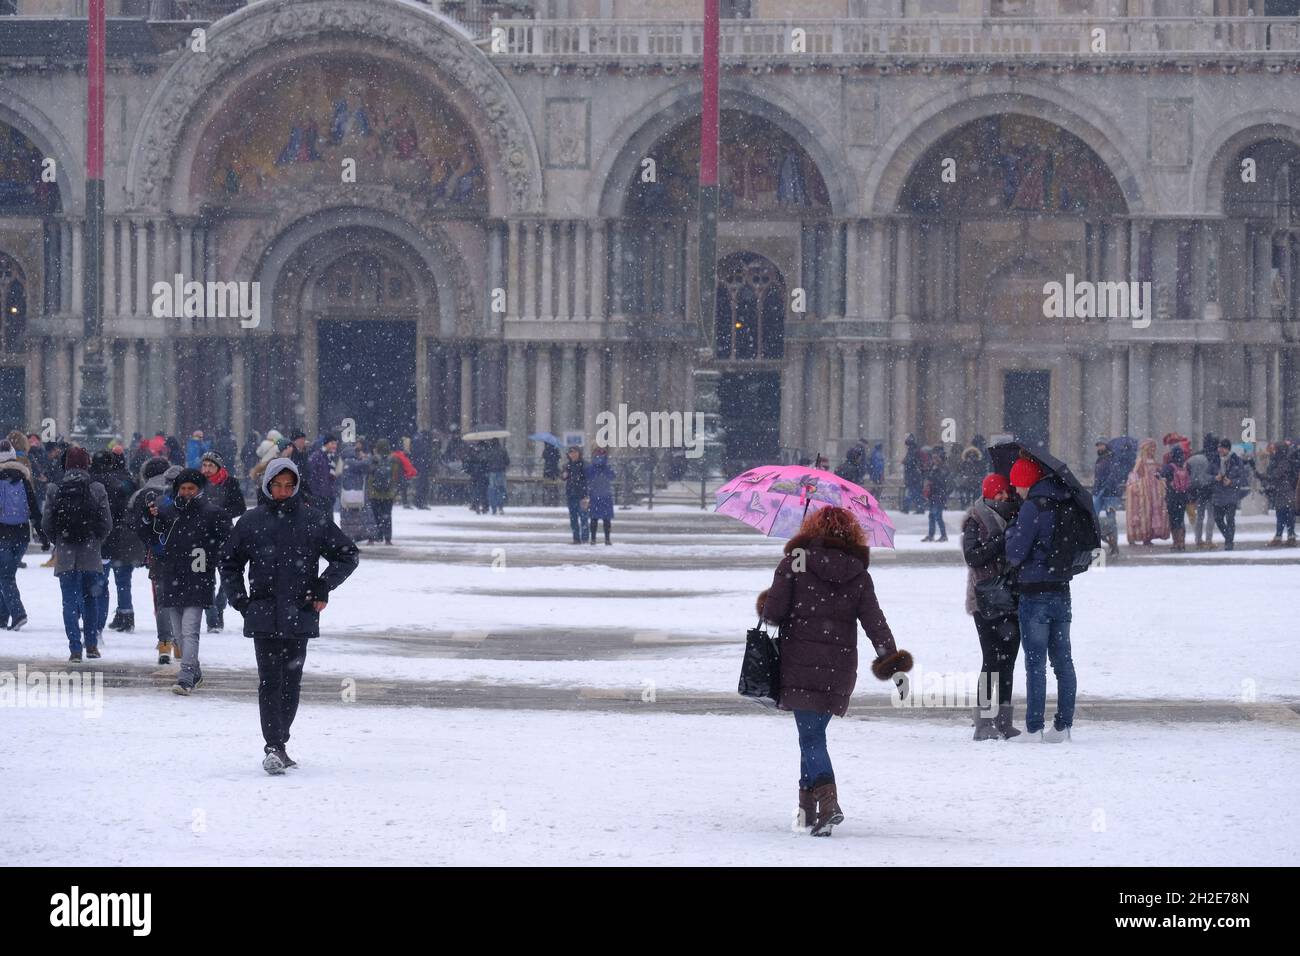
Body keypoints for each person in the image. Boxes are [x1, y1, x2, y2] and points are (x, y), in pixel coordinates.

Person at [758, 505, 910, 836]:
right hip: (839, 670)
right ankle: (806, 811)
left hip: (799, 664)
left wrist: (774, 591)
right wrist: (891, 661)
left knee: (811, 737)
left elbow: (772, 614)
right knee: (812, 735)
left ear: (813, 528)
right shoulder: (857, 571)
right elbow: (875, 622)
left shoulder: (797, 561)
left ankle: (828, 806)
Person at [219, 458, 359, 774]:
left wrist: (323, 586)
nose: (282, 491)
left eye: (288, 485)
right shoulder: (251, 522)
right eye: (277, 485)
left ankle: (281, 739)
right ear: (267, 486)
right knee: (269, 680)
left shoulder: (313, 520)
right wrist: (240, 600)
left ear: (295, 486)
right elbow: (228, 561)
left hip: (300, 612)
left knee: (291, 681)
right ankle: (274, 744)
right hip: (264, 614)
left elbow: (347, 555)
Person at [1004, 457, 1075, 743]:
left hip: (1035, 592)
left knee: (1036, 664)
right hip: (1062, 590)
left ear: (1025, 481)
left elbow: (1015, 553)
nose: (1016, 490)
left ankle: (1034, 728)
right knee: (1064, 662)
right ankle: (1063, 726)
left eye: (1017, 484)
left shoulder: (1033, 507)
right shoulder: (1064, 501)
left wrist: (1011, 531)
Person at [145, 468, 231, 695]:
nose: (186, 493)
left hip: (198, 578)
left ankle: (185, 677)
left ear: (199, 489)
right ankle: (195, 672)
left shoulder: (212, 513)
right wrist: (149, 518)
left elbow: (227, 541)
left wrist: (216, 558)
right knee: (178, 634)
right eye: (182, 489)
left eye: (191, 488)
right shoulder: (169, 512)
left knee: (190, 630)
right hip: (172, 576)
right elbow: (150, 534)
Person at [961, 472, 1022, 740]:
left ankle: (1004, 720)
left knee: (1009, 659)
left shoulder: (1016, 516)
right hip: (985, 597)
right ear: (988, 494)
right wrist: (1001, 541)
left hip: (1010, 596)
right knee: (991, 659)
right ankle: (983, 722)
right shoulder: (976, 518)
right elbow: (973, 556)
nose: (1003, 497)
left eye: (1005, 492)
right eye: (998, 493)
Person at [42, 446, 113, 662]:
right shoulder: (97, 488)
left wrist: (59, 540)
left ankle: (74, 648)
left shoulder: (55, 487)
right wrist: (96, 539)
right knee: (91, 599)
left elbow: (47, 522)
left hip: (65, 551)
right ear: (86, 464)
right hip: (90, 552)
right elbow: (107, 523)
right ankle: (91, 644)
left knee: (69, 602)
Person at [128, 458, 183, 663]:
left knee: (162, 600)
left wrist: (151, 542)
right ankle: (179, 643)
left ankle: (165, 643)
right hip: (183, 556)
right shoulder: (187, 497)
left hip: (159, 555)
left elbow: (138, 525)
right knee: (182, 601)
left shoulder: (147, 495)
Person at [90, 450, 143, 635]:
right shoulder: (127, 482)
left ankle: (96, 620)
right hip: (124, 535)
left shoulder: (96, 482)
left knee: (100, 581)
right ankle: (126, 614)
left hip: (104, 538)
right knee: (123, 580)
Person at [0, 439, 49, 630]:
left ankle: (18, 614)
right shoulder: (23, 479)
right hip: (21, 534)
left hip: (2, 533)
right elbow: (35, 511)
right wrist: (43, 537)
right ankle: (2, 617)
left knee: (5, 577)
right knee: (5, 575)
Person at [200, 451, 246, 632]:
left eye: (211, 466)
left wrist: (220, 513)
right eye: (204, 465)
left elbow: (240, 506)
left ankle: (220, 605)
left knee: (226, 576)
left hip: (224, 535)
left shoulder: (230, 483)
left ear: (219, 467)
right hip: (201, 538)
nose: (207, 469)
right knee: (204, 579)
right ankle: (212, 618)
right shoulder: (197, 482)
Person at [1123, 438, 1169, 546]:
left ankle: (1149, 536)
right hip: (1144, 489)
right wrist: (1136, 485)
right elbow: (1134, 473)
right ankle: (1141, 535)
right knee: (1143, 512)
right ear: (1146, 449)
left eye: (1154, 447)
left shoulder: (1153, 460)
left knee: (1152, 512)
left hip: (1154, 490)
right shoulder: (1141, 460)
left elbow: (1158, 472)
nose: (1153, 450)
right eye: (1151, 447)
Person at [1209, 437, 1248, 551]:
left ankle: (1229, 543)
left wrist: (1231, 482)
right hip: (1218, 495)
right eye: (1219, 447)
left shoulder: (1236, 460)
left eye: (1222, 448)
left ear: (1227, 449)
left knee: (1230, 519)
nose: (1220, 450)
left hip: (1231, 495)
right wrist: (1214, 478)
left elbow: (1242, 479)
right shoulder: (1214, 460)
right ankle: (1228, 537)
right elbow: (1206, 476)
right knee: (1218, 518)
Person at [1258, 440, 1298, 546]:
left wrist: (1264, 477)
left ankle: (1286, 537)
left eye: (1275, 449)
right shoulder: (1280, 460)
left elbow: (1276, 475)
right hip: (1284, 491)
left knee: (1284, 514)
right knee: (1284, 514)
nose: (1273, 451)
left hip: (1285, 491)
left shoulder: (1283, 461)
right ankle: (1285, 536)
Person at [338, 441, 378, 544]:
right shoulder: (351, 462)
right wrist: (369, 457)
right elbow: (365, 464)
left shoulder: (345, 462)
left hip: (349, 494)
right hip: (357, 493)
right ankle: (367, 536)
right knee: (363, 516)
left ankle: (352, 537)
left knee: (351, 518)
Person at [366, 439, 401, 545]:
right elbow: (395, 476)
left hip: (374, 493)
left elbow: (369, 474)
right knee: (387, 516)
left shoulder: (373, 459)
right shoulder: (394, 459)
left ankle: (374, 537)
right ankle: (388, 538)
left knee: (375, 516)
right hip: (388, 494)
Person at [1187, 434, 1217, 549]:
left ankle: (1198, 539)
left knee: (1199, 516)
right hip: (1210, 488)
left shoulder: (1195, 456)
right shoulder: (1213, 457)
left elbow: (1188, 471)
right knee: (1211, 515)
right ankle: (1209, 540)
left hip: (1197, 490)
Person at [1159, 445, 1191, 552]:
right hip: (1183, 496)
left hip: (1172, 496)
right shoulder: (1186, 466)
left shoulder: (1169, 466)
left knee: (1173, 520)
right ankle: (1182, 542)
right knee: (1181, 519)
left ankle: (1176, 542)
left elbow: (1161, 475)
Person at [585, 446, 616, 545]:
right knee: (602, 519)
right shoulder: (604, 468)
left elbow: (588, 478)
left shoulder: (594, 468)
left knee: (597, 519)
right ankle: (603, 539)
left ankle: (598, 539)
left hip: (599, 495)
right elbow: (612, 476)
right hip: (602, 495)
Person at [920, 446, 950, 542]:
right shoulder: (934, 468)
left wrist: (932, 480)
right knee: (932, 516)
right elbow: (929, 477)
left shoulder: (942, 469)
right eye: (933, 458)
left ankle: (943, 535)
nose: (934, 460)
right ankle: (931, 535)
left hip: (939, 495)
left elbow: (941, 482)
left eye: (936, 458)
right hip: (933, 495)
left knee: (938, 516)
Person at [560, 446, 589, 544]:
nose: (573, 454)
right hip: (571, 494)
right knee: (573, 518)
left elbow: (588, 480)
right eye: (571, 453)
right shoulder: (567, 466)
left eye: (575, 452)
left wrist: (586, 495)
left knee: (584, 517)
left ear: (579, 453)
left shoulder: (584, 465)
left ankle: (585, 538)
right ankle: (576, 538)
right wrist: (564, 475)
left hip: (582, 495)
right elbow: (563, 477)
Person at [306, 435, 340, 513]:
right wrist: (316, 495)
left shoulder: (330, 458)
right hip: (319, 498)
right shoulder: (317, 456)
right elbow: (311, 475)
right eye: (332, 443)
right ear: (325, 444)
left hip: (328, 497)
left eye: (335, 444)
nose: (334, 446)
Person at [462, 441, 489, 514]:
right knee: (483, 492)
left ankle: (476, 505)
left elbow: (468, 465)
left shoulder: (473, 454)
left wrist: (469, 471)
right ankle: (484, 506)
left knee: (475, 491)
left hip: (474, 475)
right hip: (484, 475)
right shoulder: (486, 454)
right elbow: (488, 465)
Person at [410, 430, 435, 510]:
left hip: (421, 465)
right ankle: (420, 501)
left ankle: (419, 501)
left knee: (422, 484)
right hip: (422, 465)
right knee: (423, 484)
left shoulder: (417, 441)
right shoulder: (423, 444)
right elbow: (425, 454)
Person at [484, 437, 510, 515]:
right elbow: (507, 461)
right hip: (501, 472)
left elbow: (486, 461)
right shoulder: (503, 450)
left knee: (492, 490)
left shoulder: (489, 451)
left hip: (492, 472)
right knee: (501, 489)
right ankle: (501, 507)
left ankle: (494, 508)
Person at [901, 434, 924, 514]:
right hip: (914, 476)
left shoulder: (912, 451)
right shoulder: (914, 450)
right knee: (914, 492)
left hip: (912, 476)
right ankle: (918, 507)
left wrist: (905, 462)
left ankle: (908, 507)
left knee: (912, 492)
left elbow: (911, 462)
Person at [542, 442, 562, 507]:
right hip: (554, 471)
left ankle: (547, 500)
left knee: (546, 486)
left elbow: (543, 457)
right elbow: (559, 457)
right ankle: (555, 500)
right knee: (555, 486)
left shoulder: (546, 450)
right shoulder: (556, 449)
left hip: (547, 470)